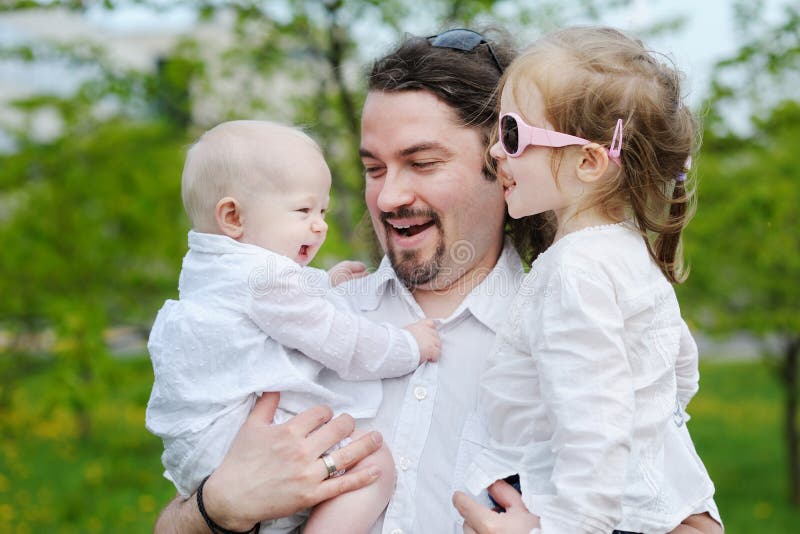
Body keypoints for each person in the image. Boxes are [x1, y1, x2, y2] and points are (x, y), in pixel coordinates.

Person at [154, 29, 719, 534]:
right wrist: (215, 509)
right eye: (373, 169)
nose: (388, 196)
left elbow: (685, 517)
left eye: (421, 163)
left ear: (500, 165)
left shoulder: (575, 323)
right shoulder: (303, 316)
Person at [455, 26, 723, 534]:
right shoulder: (629, 255)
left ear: (588, 161)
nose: (494, 150)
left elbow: (593, 426)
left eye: (512, 133)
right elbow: (679, 372)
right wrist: (648, 439)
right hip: (645, 503)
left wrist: (561, 528)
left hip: (581, 512)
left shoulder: (573, 270)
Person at [146, 120, 441, 534]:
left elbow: (282, 311)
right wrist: (408, 346)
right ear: (233, 216)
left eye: (321, 210)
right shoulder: (267, 279)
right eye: (303, 210)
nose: (319, 224)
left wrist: (325, 284)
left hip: (207, 459)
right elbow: (344, 343)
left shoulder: (207, 270)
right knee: (373, 465)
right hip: (245, 452)